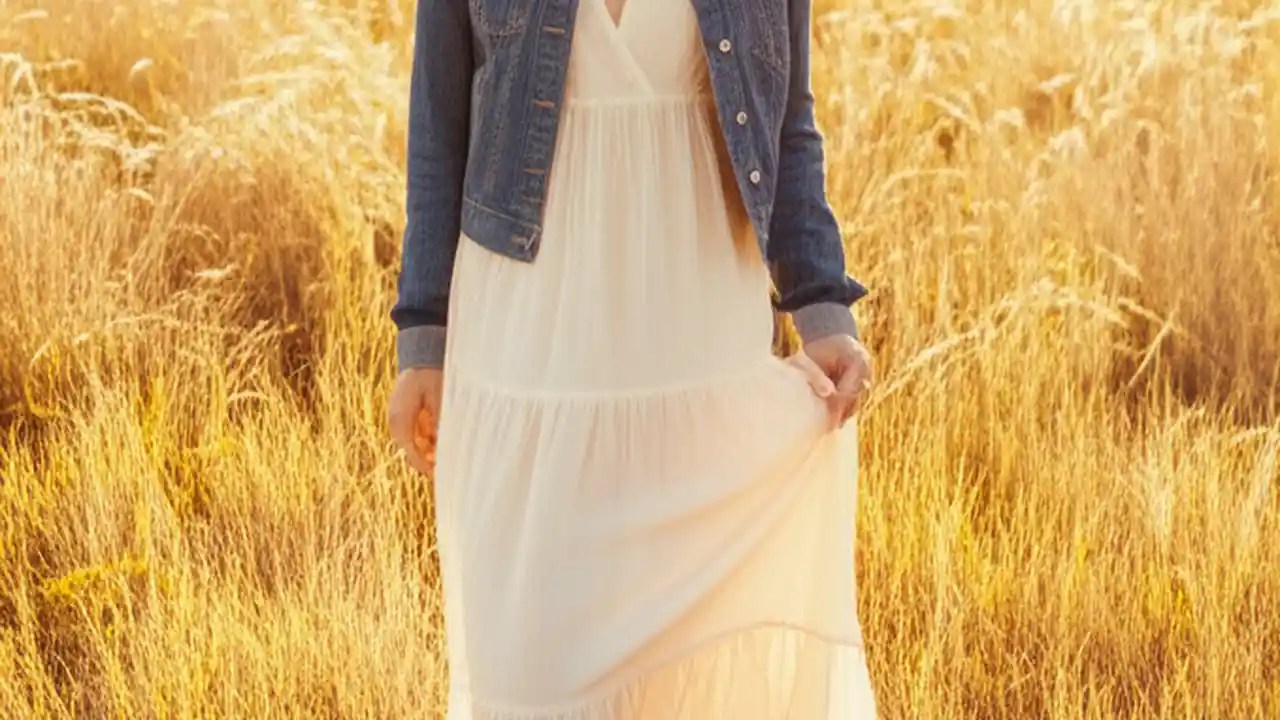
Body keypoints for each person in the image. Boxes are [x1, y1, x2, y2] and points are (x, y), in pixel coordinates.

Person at [387, 0, 878, 716]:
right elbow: (437, 127)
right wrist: (423, 334)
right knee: (533, 662)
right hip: (534, 335)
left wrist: (821, 301)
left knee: (689, 677)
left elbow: (788, 124)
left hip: (695, 326)